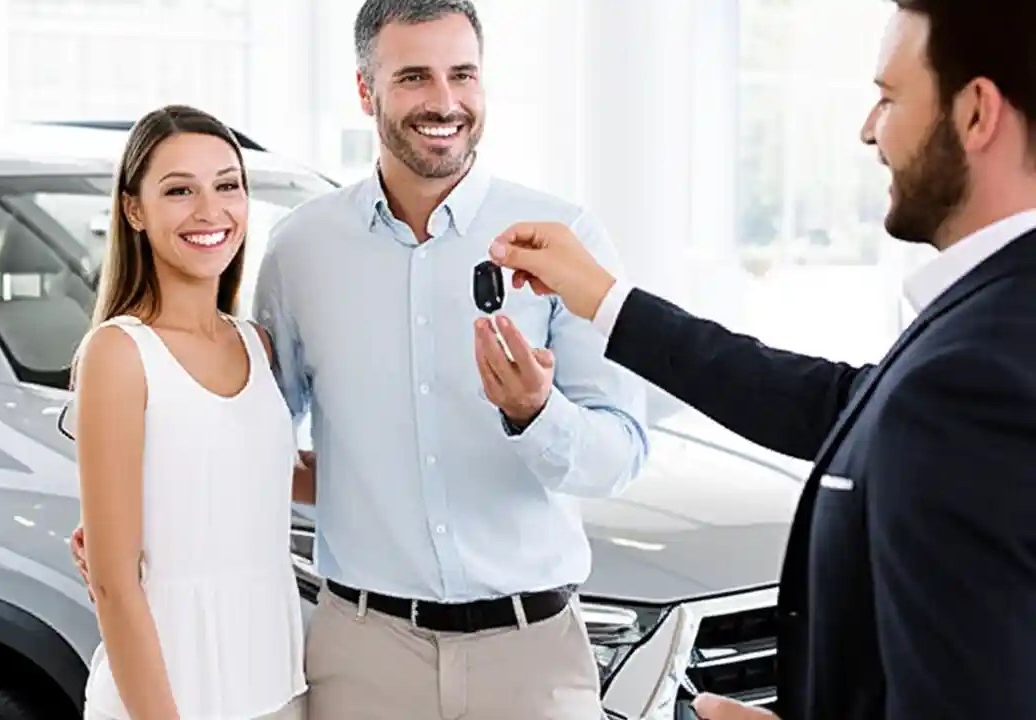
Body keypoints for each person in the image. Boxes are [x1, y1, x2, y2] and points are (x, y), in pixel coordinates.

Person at [69, 2, 647, 716]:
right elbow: (246, 441)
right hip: (360, 653)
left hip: (530, 656)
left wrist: (537, 414)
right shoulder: (302, 251)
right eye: (413, 77)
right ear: (366, 91)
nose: (443, 101)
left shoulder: (561, 240)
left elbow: (620, 456)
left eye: (462, 74)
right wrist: (139, 521)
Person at [485, 2, 1036, 719]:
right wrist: (605, 300)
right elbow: (839, 406)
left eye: (890, 97)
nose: (869, 129)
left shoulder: (979, 369)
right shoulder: (991, 323)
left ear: (976, 113)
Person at [70, 104, 313, 720]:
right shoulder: (120, 353)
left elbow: (262, 479)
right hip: (168, 699)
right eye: (180, 190)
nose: (210, 212)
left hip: (277, 690)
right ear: (134, 210)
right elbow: (113, 583)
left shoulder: (255, 344)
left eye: (227, 185)